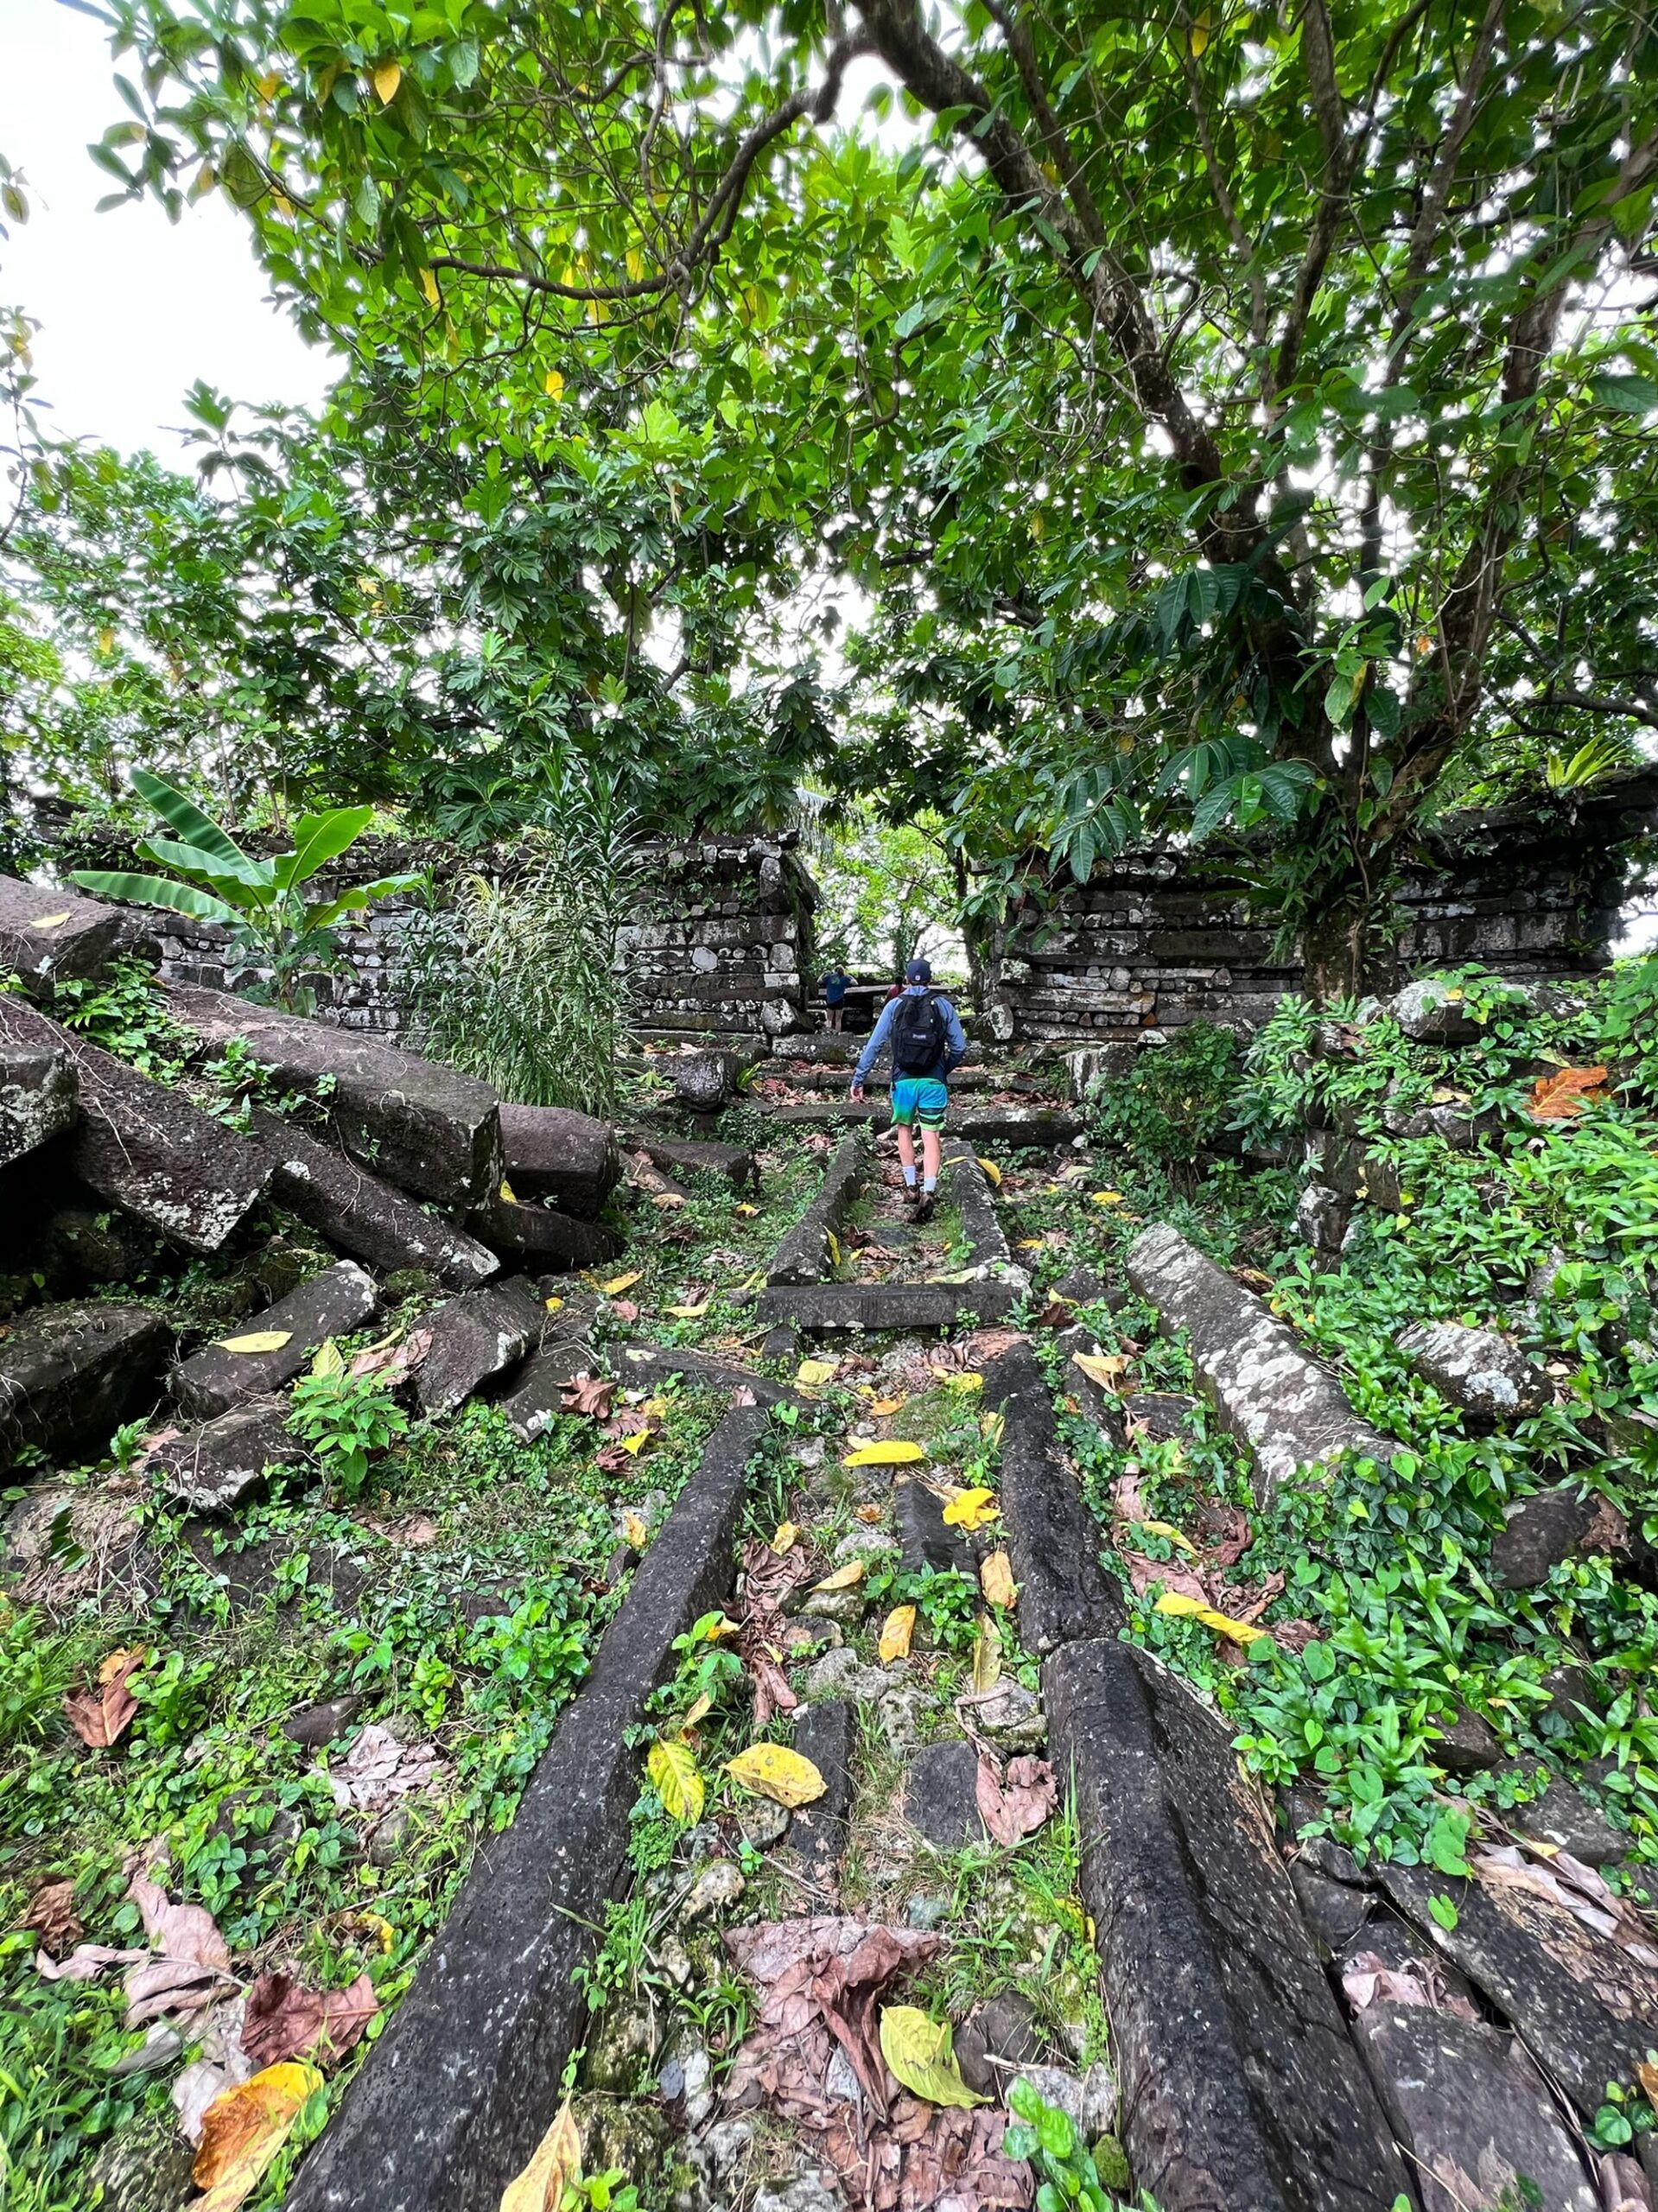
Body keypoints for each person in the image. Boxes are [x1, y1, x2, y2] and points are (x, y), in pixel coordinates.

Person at [849, 957, 969, 1223]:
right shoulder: (943, 1006)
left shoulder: (894, 1005)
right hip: (933, 1083)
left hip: (902, 1081)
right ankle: (929, 1190)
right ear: (930, 979)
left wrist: (859, 1079)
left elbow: (874, 1045)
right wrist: (942, 1070)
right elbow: (959, 1047)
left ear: (905, 978)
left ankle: (911, 1186)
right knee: (931, 1136)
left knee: (904, 1130)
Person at [822, 964, 851, 1032]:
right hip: (839, 1000)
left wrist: (823, 973)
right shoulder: (844, 978)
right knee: (838, 1020)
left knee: (829, 1019)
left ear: (835, 970)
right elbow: (855, 983)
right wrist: (850, 977)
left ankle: (828, 1032)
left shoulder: (829, 977)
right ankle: (838, 1034)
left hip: (830, 1000)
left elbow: (819, 981)